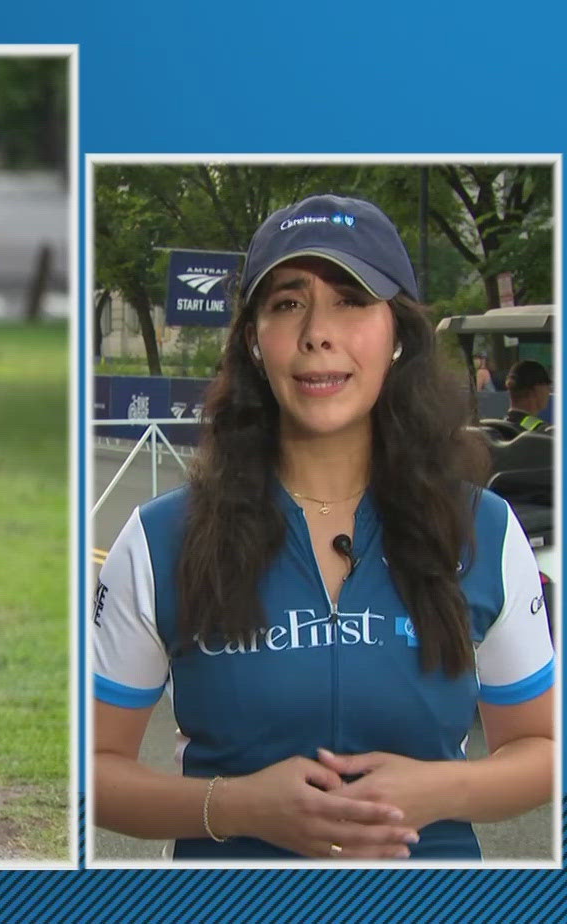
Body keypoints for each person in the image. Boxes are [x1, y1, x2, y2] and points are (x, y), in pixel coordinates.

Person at [93, 194, 555, 861]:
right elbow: (96, 769)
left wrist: (440, 790)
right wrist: (236, 807)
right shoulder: (160, 539)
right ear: (253, 339)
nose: (317, 332)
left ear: (397, 335)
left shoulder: (483, 530)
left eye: (350, 300)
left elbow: (540, 749)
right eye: (287, 303)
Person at [504, 360, 554, 434]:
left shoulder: (500, 425)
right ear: (536, 390)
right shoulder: (542, 432)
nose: (549, 391)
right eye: (547, 386)